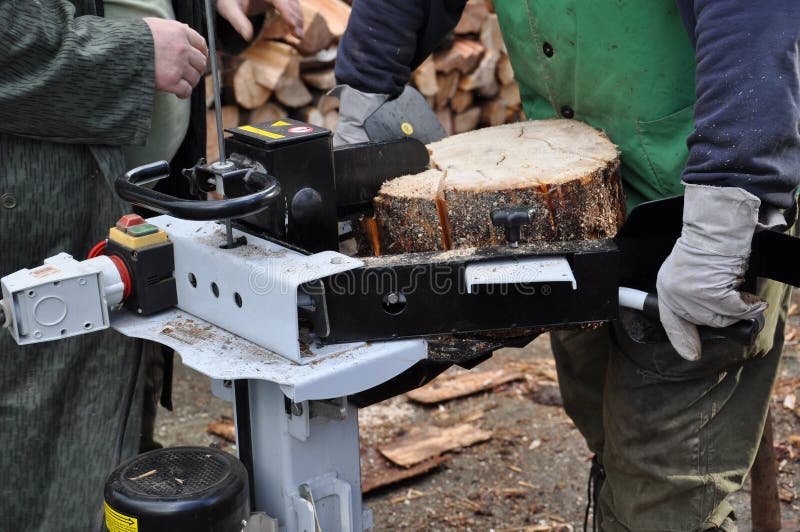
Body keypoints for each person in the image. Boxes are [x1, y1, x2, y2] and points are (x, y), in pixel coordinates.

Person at [333, 1, 800, 530]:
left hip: (702, 195)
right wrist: (366, 84)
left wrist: (727, 206)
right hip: (565, 187)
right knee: (598, 413)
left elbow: (753, 17)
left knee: (663, 483)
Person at [0, 1, 299, 530]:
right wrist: (132, 56)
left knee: (118, 446)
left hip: (139, 205)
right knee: (39, 460)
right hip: (35, 217)